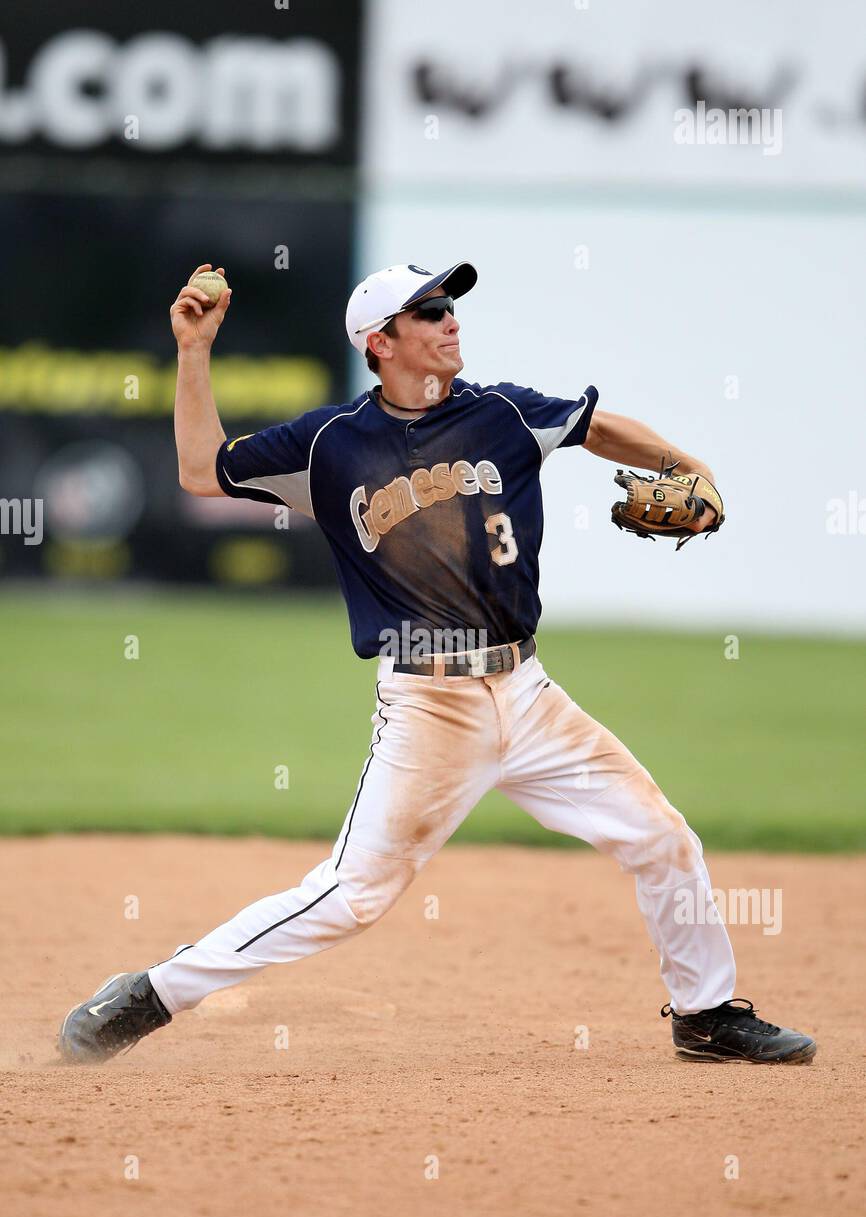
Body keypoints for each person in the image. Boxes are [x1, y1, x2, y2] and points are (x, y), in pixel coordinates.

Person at [58, 261, 815, 1067]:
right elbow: (199, 470)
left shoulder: (503, 415)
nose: (451, 318)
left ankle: (705, 1016)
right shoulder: (329, 447)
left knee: (662, 836)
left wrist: (686, 467)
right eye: (430, 310)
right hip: (429, 709)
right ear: (381, 343)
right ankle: (151, 993)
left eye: (452, 304)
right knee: (351, 896)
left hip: (529, 695)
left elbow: (598, 427)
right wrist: (194, 351)